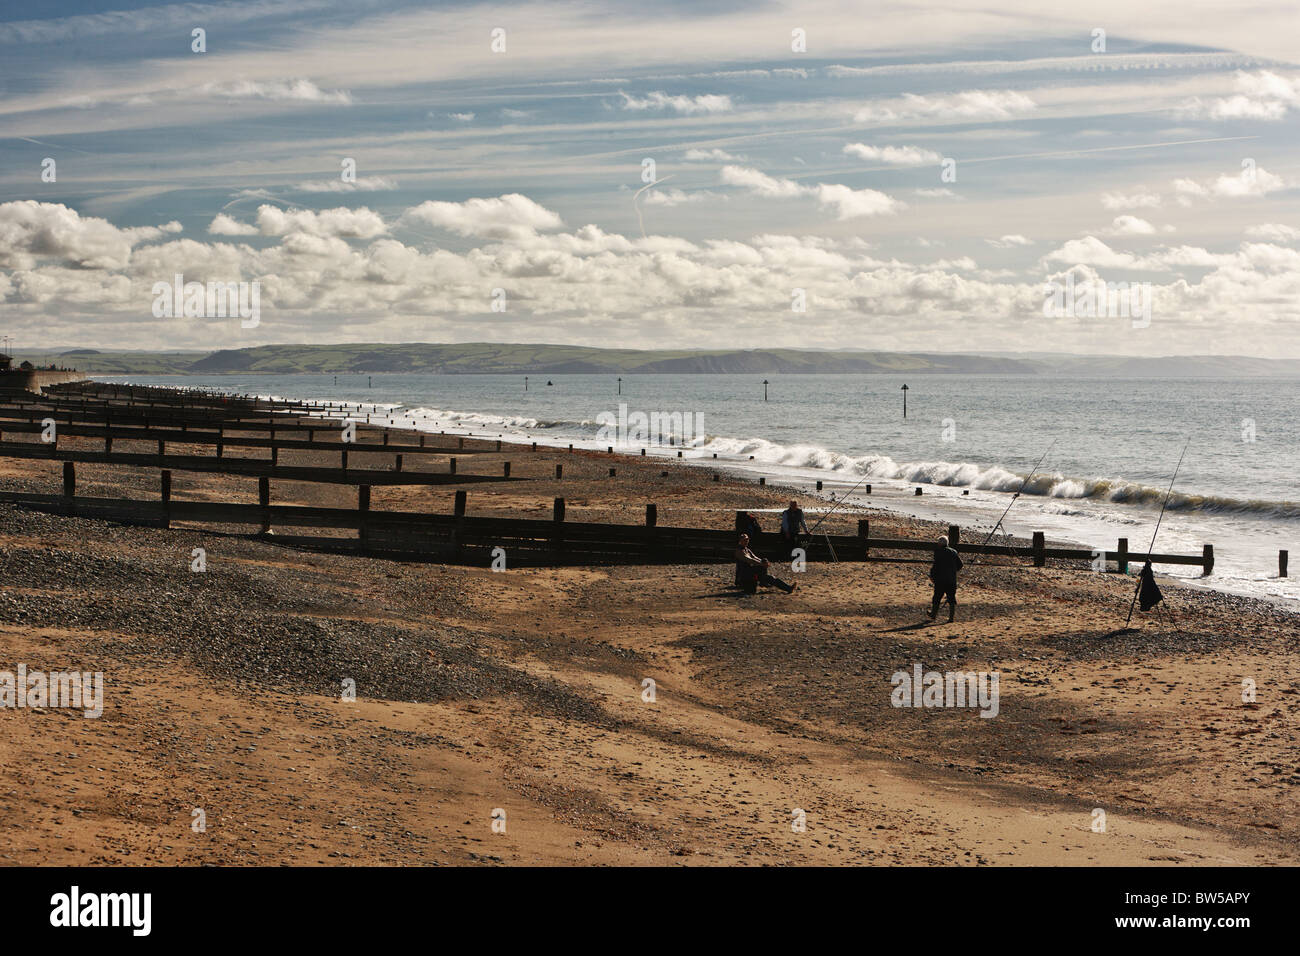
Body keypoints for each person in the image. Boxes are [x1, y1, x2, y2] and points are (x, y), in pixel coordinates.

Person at [928, 534, 963, 622]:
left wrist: (932, 576)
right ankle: (951, 618)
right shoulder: (954, 552)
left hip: (940, 580)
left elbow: (935, 566)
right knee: (951, 598)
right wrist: (953, 571)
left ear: (940, 544)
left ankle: (933, 614)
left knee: (937, 597)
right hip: (951, 579)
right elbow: (960, 565)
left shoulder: (938, 552)